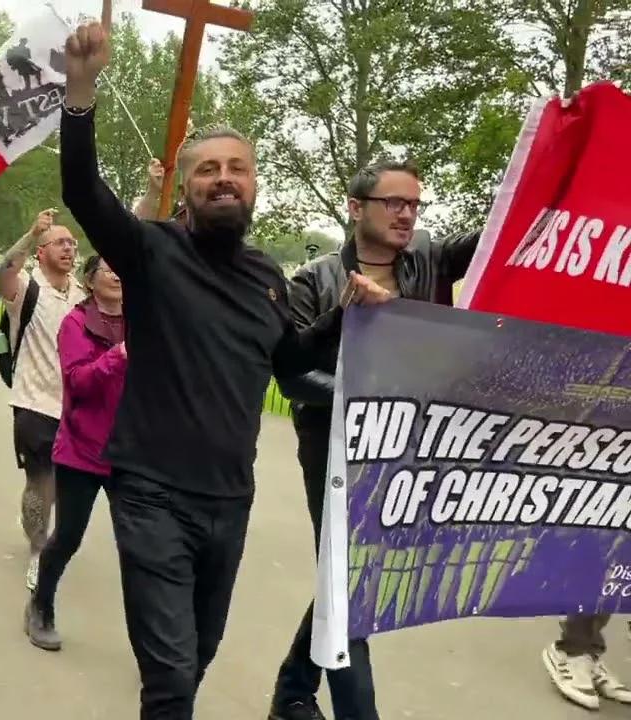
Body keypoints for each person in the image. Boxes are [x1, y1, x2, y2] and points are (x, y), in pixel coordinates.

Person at [58, 22, 391, 718]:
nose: (223, 180)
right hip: (150, 493)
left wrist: (344, 315)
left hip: (229, 500)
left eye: (236, 168)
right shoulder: (151, 253)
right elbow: (86, 194)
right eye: (207, 170)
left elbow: (289, 360)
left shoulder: (267, 275)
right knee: (172, 675)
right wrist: (82, 91)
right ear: (186, 187)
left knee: (200, 653)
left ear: (254, 184)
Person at [269, 161, 482, 720]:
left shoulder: (432, 258)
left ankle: (292, 689)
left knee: (348, 573)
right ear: (356, 206)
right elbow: (290, 375)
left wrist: (559, 165)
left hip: (411, 446)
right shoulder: (314, 279)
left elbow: (506, 231)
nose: (407, 213)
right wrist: (357, 395)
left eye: (415, 204)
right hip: (333, 447)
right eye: (394, 202)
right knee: (347, 579)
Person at [24, 255, 125, 651]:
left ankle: (156, 643)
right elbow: (78, 382)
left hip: (130, 453)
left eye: (121, 270)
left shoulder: (144, 321)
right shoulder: (76, 323)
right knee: (67, 536)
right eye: (107, 269)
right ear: (90, 279)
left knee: (140, 547)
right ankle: (40, 606)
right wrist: (117, 357)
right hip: (82, 450)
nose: (116, 275)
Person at [0, 208, 86, 589]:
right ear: (41, 252)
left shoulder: (83, 295)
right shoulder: (26, 290)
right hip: (34, 404)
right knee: (40, 482)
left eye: (73, 243)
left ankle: (42, 529)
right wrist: (32, 232)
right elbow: (3, 270)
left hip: (78, 409)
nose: (69, 248)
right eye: (60, 242)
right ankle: (38, 551)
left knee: (65, 489)